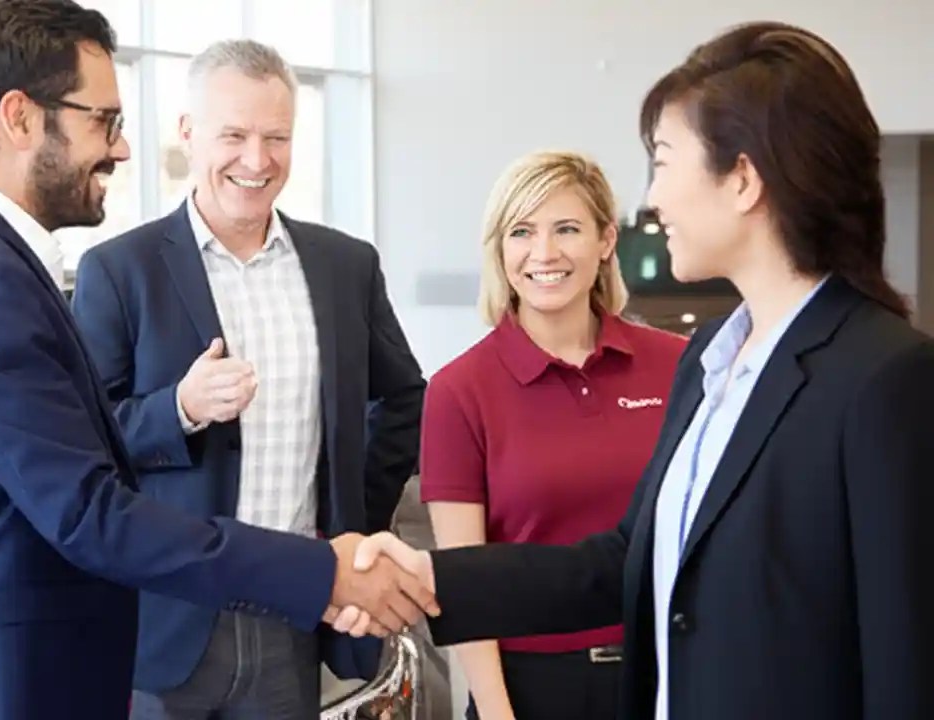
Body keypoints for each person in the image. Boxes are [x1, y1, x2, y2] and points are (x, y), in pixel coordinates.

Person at [0, 4, 438, 719]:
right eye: (104, 121)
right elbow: (91, 513)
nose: (121, 150)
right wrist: (324, 569)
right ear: (21, 118)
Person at [347, 20, 934, 720]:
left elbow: (906, 666)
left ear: (743, 179)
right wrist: (429, 574)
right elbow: (625, 559)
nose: (651, 200)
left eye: (662, 161)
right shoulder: (714, 363)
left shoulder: (884, 379)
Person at [71, 38, 427, 720]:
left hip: (292, 609)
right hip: (161, 620)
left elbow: (403, 396)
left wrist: (350, 520)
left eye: (277, 137)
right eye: (233, 135)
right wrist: (178, 407)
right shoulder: (120, 271)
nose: (256, 160)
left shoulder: (343, 266)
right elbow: (83, 438)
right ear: (188, 133)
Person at [419, 150, 685, 720]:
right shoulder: (457, 390)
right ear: (501, 250)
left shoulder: (680, 366)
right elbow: (466, 583)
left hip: (667, 669)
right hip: (532, 689)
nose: (544, 253)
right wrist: (496, 714)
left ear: (606, 240)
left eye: (567, 228)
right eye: (522, 232)